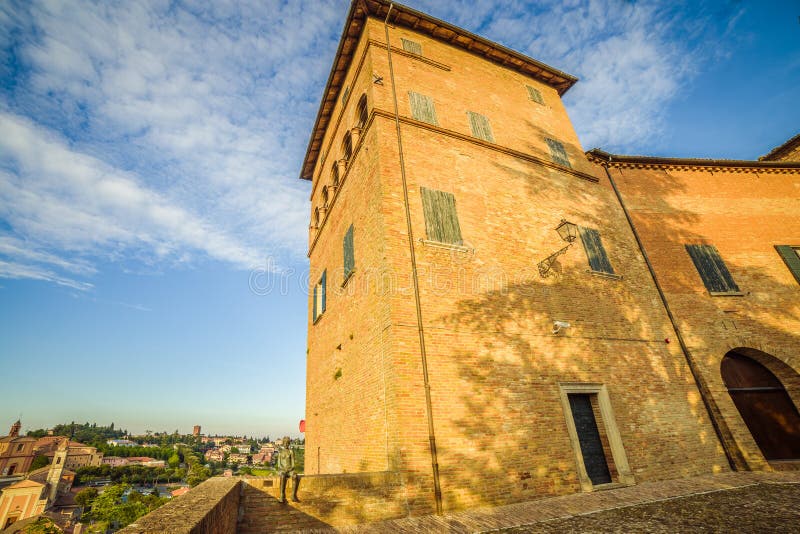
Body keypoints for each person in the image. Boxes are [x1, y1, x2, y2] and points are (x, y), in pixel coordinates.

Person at [276, 436, 299, 503]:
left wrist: (290, 469)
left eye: (287, 443)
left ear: (289, 444)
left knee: (295, 476)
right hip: (282, 470)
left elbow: (293, 463)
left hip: (289, 470)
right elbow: (279, 464)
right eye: (285, 443)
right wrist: (283, 469)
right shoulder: (280, 452)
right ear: (283, 443)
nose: (286, 444)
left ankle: (293, 495)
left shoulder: (291, 452)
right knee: (282, 476)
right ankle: (281, 495)